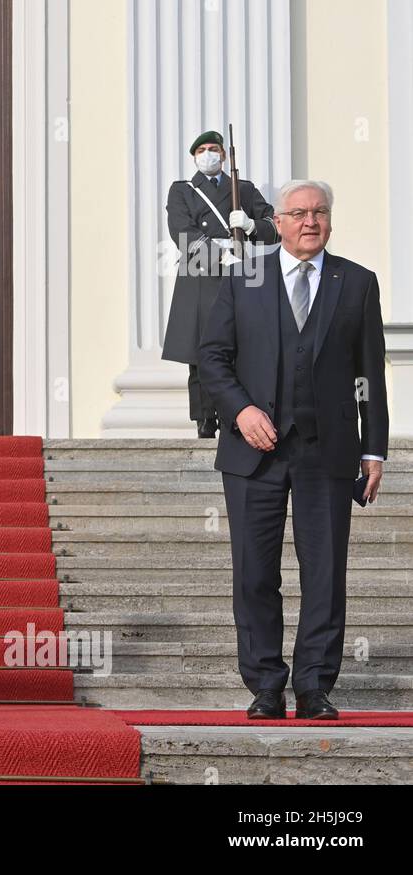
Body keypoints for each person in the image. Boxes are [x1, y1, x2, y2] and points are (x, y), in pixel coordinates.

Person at [199, 180, 388, 720]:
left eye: (320, 212)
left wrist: (373, 448)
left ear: (330, 221)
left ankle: (314, 687)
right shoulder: (243, 277)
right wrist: (240, 410)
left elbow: (369, 374)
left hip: (327, 453)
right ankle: (264, 685)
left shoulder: (356, 282)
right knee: (254, 572)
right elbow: (213, 357)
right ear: (276, 222)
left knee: (325, 574)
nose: (310, 221)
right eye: (299, 213)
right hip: (252, 452)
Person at [163, 129, 279, 438]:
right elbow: (181, 231)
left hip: (241, 271)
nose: (208, 155)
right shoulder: (183, 191)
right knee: (200, 350)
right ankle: (204, 418)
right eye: (201, 150)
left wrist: (253, 225)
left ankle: (237, 413)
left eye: (213, 149)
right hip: (199, 272)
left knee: (242, 346)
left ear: (224, 155)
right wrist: (218, 254)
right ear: (194, 157)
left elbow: (275, 226)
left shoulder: (243, 189)